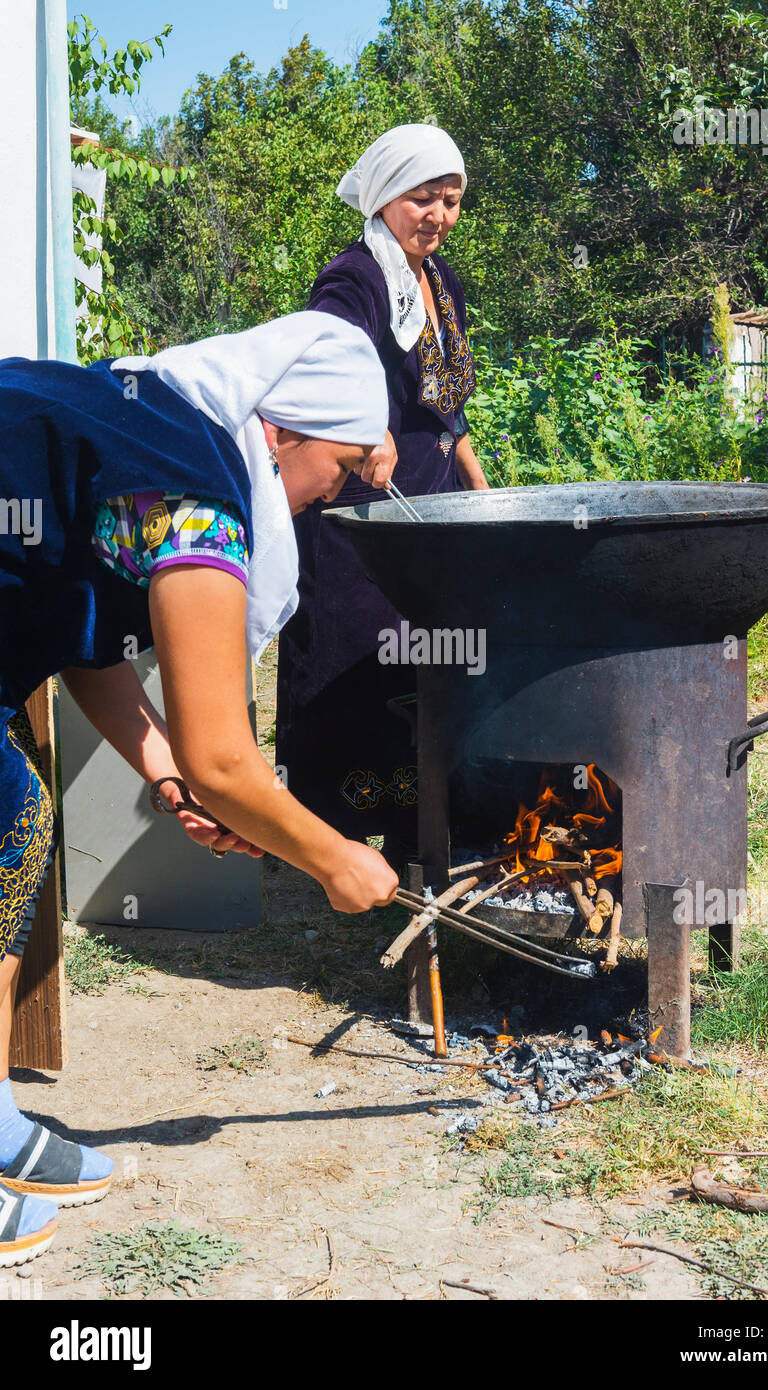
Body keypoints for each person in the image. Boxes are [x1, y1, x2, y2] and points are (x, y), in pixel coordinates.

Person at [0, 312, 399, 1268]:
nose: (321, 501)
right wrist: (333, 859)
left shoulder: (142, 431)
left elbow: (85, 647)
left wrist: (165, 771)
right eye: (338, 471)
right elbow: (230, 760)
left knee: (14, 825)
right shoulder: (196, 489)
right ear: (279, 430)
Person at [276, 124, 489, 865]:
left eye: (451, 201)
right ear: (384, 196)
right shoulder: (353, 278)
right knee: (349, 658)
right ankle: (324, 840)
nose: (437, 215)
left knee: (418, 665)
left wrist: (481, 486)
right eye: (422, 198)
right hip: (358, 509)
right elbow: (326, 364)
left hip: (428, 504)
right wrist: (367, 427)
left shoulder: (442, 282)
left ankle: (412, 830)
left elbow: (448, 407)